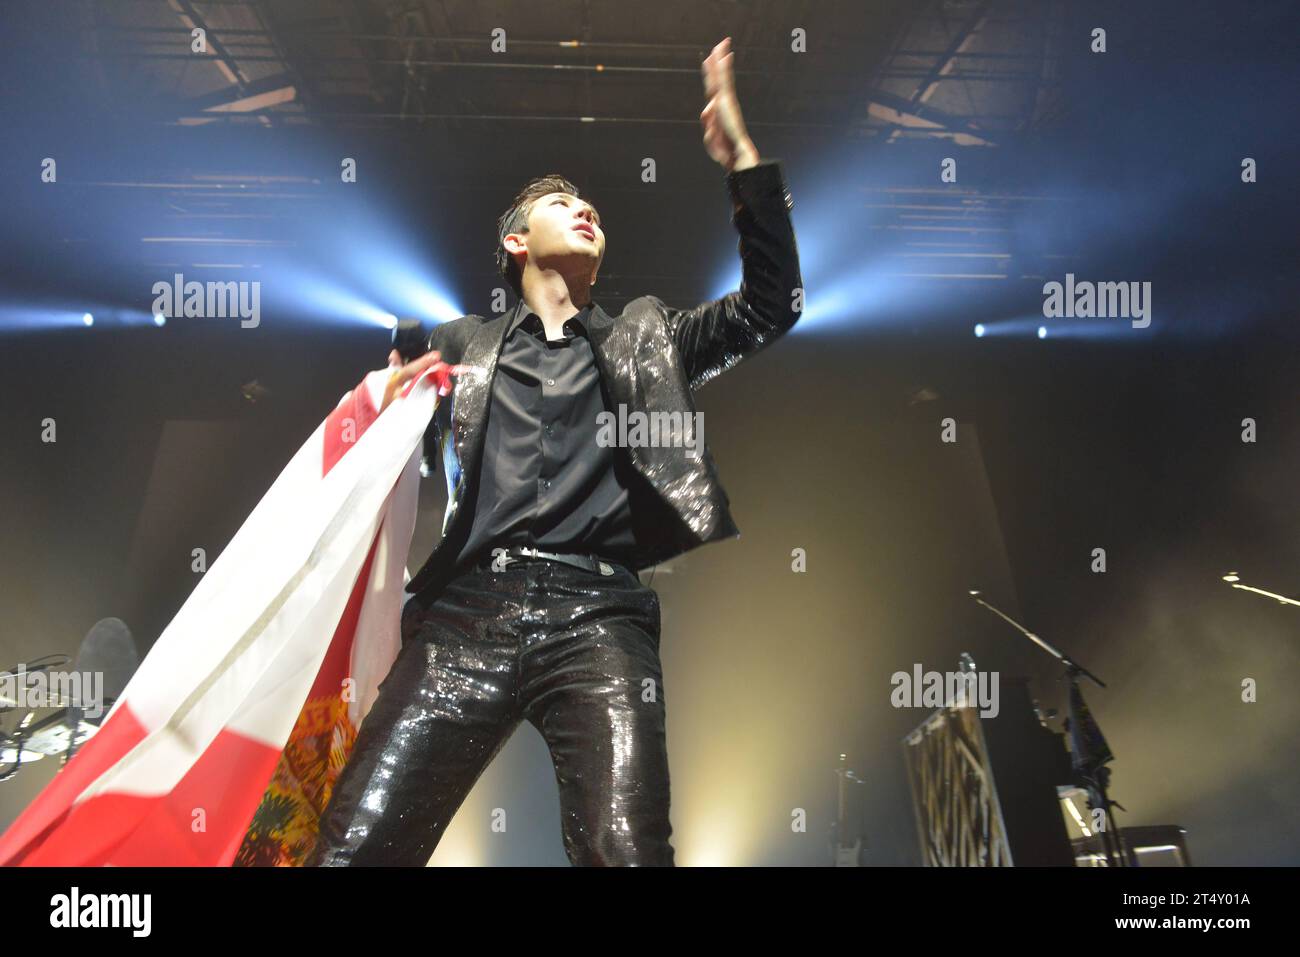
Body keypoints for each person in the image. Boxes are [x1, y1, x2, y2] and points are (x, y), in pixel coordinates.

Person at [308, 36, 802, 866]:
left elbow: (771, 305)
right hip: (465, 617)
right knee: (357, 841)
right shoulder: (456, 344)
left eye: (594, 211)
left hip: (597, 616)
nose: (587, 211)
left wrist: (743, 163)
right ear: (514, 243)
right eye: (559, 202)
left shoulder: (647, 336)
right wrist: (381, 406)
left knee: (625, 848)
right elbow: (384, 458)